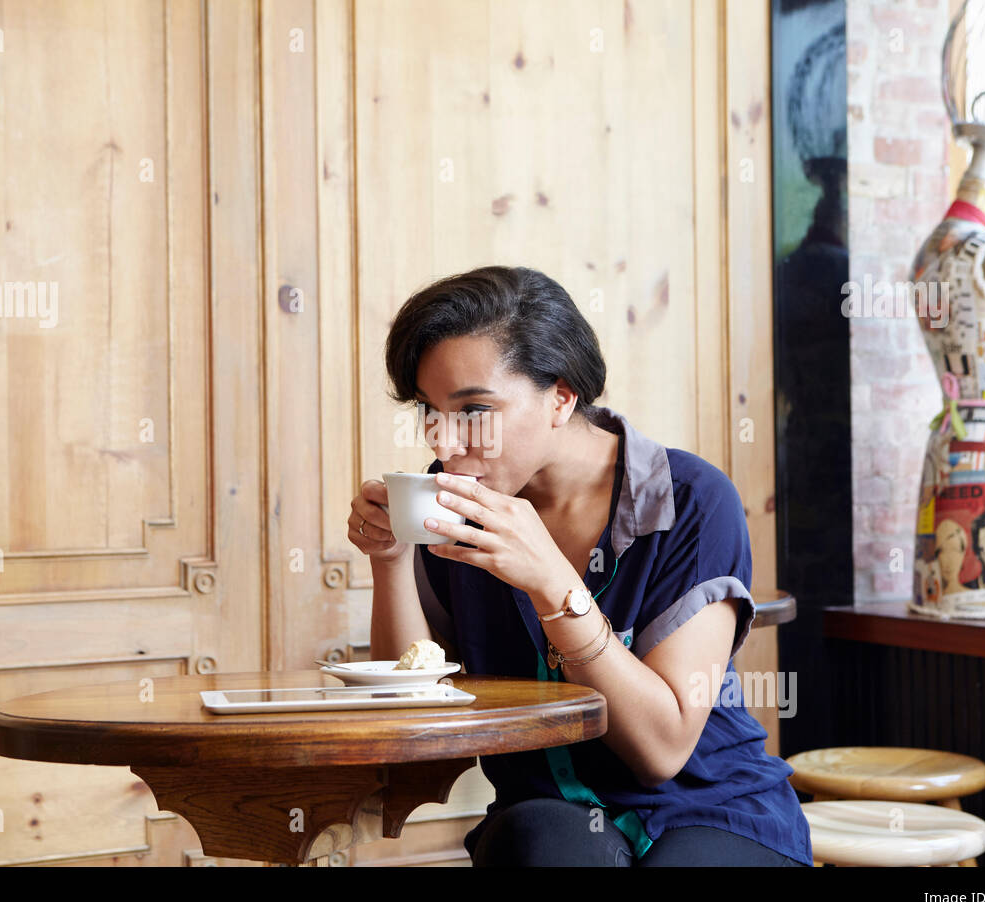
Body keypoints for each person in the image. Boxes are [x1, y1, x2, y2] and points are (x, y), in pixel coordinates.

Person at [346, 265, 813, 867]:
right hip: (547, 812)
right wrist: (390, 562)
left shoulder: (690, 499)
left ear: (561, 397)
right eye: (428, 411)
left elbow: (662, 750)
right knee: (545, 844)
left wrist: (553, 583)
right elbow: (416, 717)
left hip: (709, 806)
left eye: (474, 411)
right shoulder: (452, 501)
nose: (442, 443)